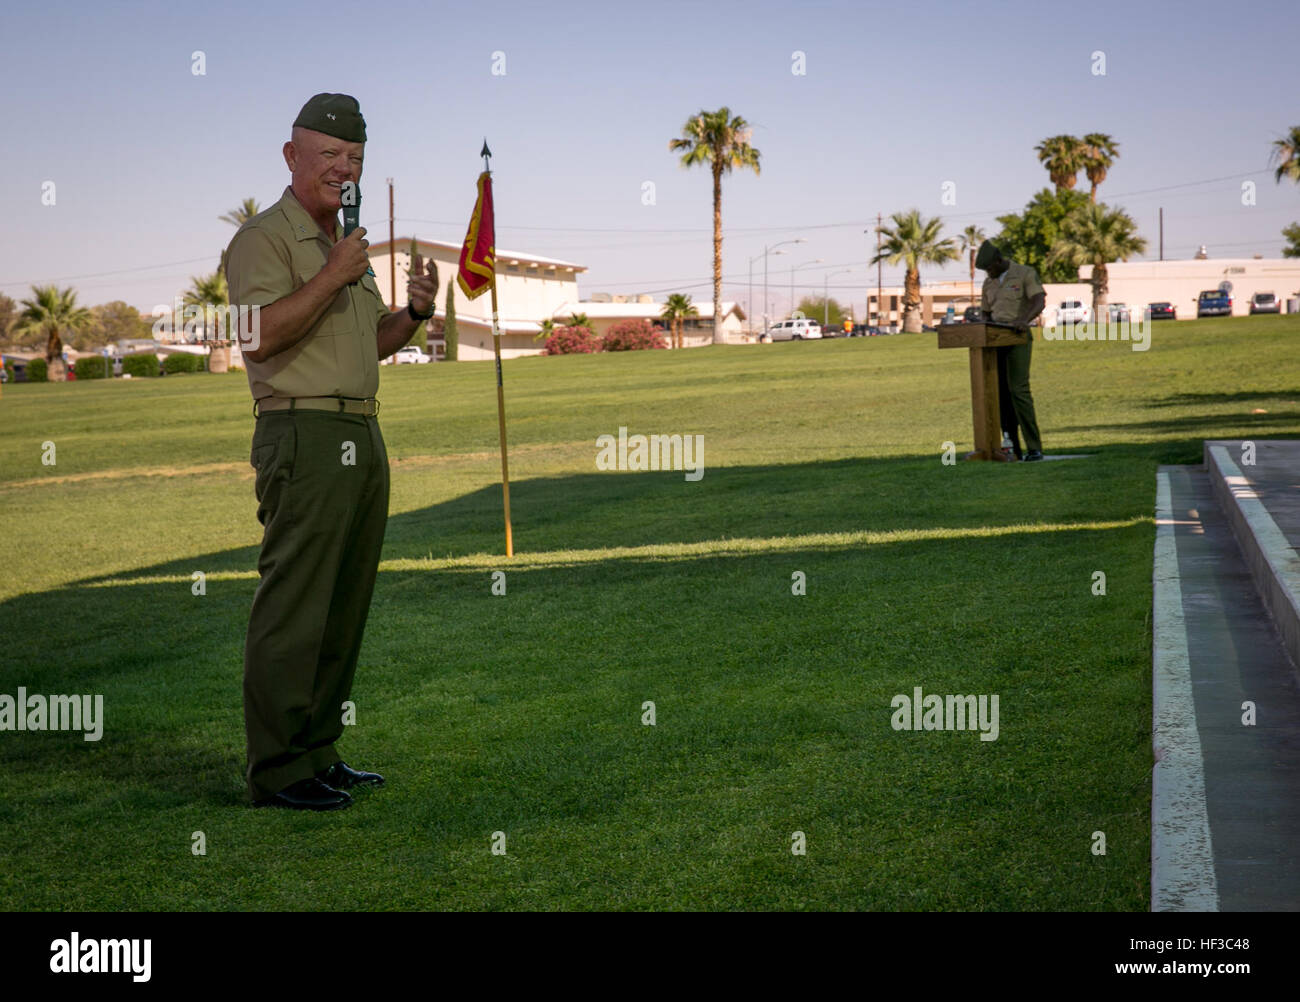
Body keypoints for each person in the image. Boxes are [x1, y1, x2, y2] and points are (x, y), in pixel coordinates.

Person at [225, 93, 439, 810]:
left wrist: (412, 313)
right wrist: (334, 275)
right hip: (302, 433)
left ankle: (317, 752)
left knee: (343, 604)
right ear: (292, 157)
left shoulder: (347, 246)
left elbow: (370, 344)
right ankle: (278, 770)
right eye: (330, 157)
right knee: (297, 605)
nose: (343, 170)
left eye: (354, 160)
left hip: (360, 430)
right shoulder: (265, 238)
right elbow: (257, 336)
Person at [974, 240, 1045, 462]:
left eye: (990, 268)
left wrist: (1024, 320)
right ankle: (1011, 449)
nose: (989, 273)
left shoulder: (1024, 274)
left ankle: (1034, 448)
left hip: (1017, 338)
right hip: (995, 341)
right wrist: (982, 325)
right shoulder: (989, 283)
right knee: (1000, 395)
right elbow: (986, 312)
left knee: (1018, 391)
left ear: (999, 260)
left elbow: (1039, 300)